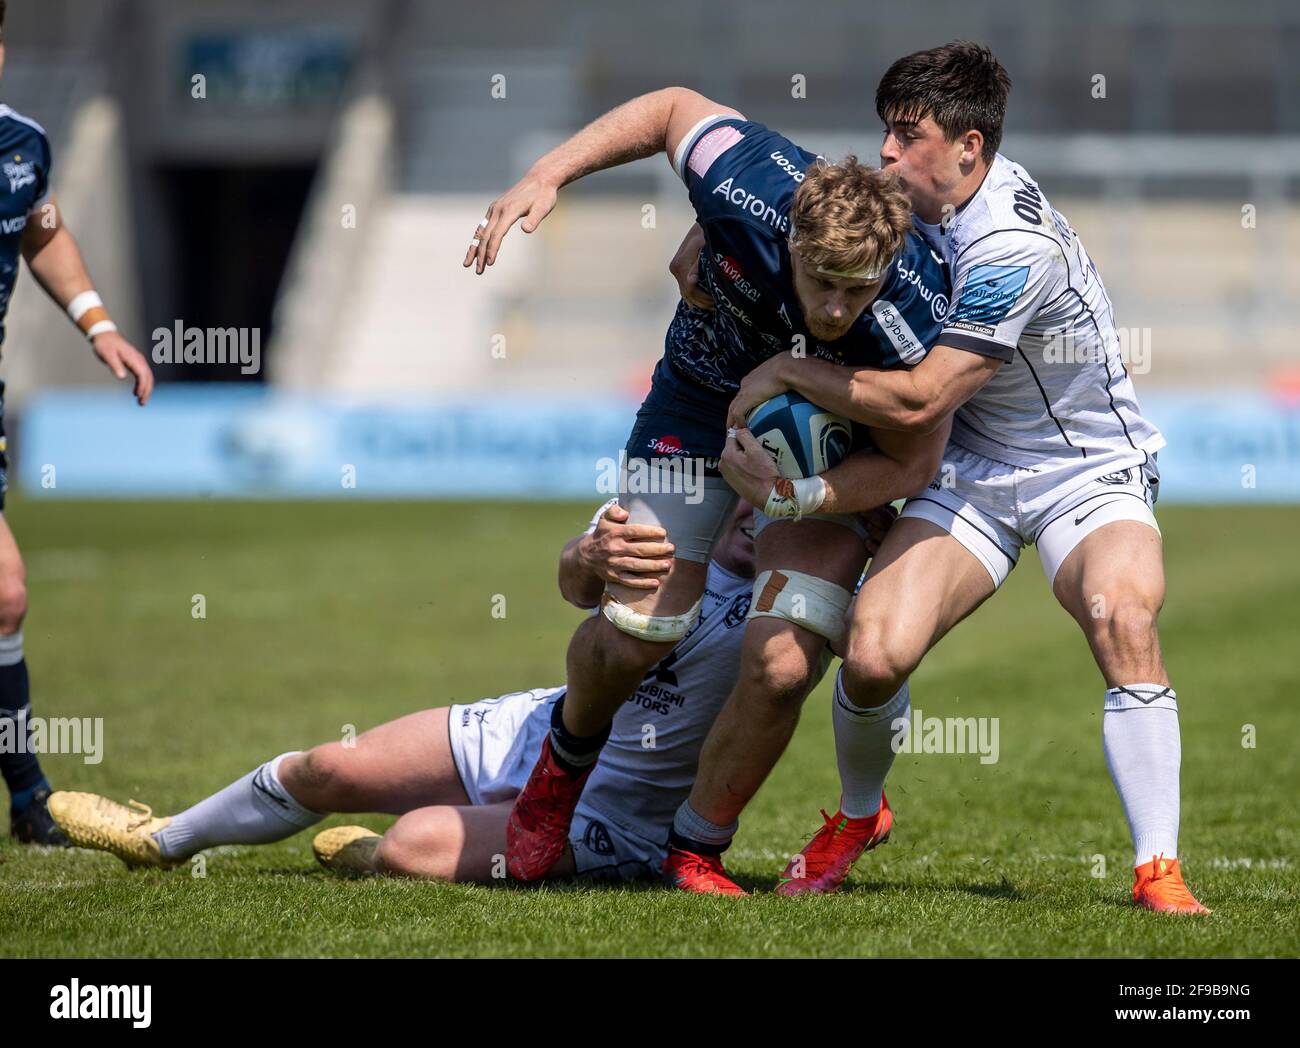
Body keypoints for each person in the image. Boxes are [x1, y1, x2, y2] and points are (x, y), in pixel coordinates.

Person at [720, 42, 1206, 913]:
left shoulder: (1012, 247)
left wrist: (790, 373)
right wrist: (701, 241)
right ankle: (860, 818)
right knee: (870, 658)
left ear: (971, 147)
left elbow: (921, 398)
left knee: (1121, 614)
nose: (888, 154)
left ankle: (1157, 870)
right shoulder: (912, 205)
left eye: (908, 136)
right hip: (972, 468)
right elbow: (788, 203)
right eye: (885, 134)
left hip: (1084, 469)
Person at [464, 87, 952, 889]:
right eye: (820, 279)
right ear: (788, 237)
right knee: (635, 629)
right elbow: (668, 109)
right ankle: (561, 766)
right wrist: (548, 175)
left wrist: (791, 496)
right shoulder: (746, 183)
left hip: (827, 448)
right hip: (696, 395)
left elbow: (911, 465)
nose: (835, 308)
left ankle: (695, 848)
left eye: (856, 290)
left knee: (787, 659)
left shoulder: (914, 314)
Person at [48, 501, 892, 881]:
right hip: (537, 730)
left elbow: (865, 664)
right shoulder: (680, 509)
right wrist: (588, 557)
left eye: (768, 507)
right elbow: (572, 579)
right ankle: (162, 840)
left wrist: (865, 800)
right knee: (327, 768)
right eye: (740, 500)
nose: (748, 517)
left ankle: (369, 858)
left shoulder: (793, 608)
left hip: (614, 819)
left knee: (413, 845)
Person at [0, 1, 155, 845]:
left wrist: (99, 326)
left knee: (4, 596)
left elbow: (42, 230)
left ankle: (28, 799)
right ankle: (29, 794)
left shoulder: (20, 146)